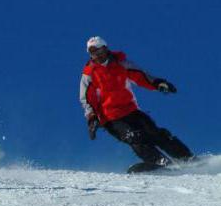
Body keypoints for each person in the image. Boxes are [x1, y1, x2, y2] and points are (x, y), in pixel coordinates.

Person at [79, 36, 193, 173]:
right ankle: (159, 162)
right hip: (110, 117)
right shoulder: (89, 73)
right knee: (133, 136)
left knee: (154, 132)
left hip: (130, 110)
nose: (97, 55)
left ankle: (186, 158)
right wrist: (92, 117)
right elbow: (86, 98)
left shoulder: (121, 64)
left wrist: (158, 83)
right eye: (92, 52)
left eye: (99, 51)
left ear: (105, 49)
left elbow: (141, 76)